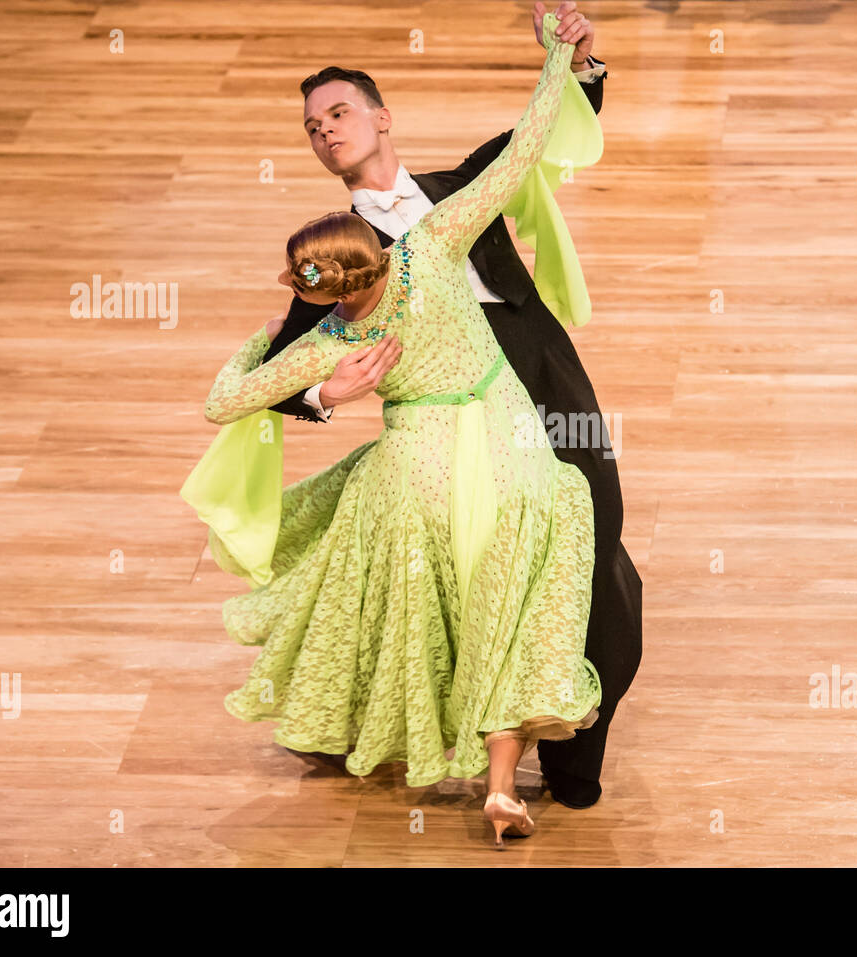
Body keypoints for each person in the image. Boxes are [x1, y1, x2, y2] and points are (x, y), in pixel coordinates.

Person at [202, 11, 598, 848]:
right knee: (518, 587)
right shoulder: (430, 245)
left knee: (407, 591)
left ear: (381, 117)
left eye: (336, 112)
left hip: (436, 453)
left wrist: (302, 370)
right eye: (311, 125)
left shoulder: (336, 318)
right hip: (501, 439)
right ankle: (511, 777)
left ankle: (381, 731)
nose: (322, 130)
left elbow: (225, 401)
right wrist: (554, 54)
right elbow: (530, 139)